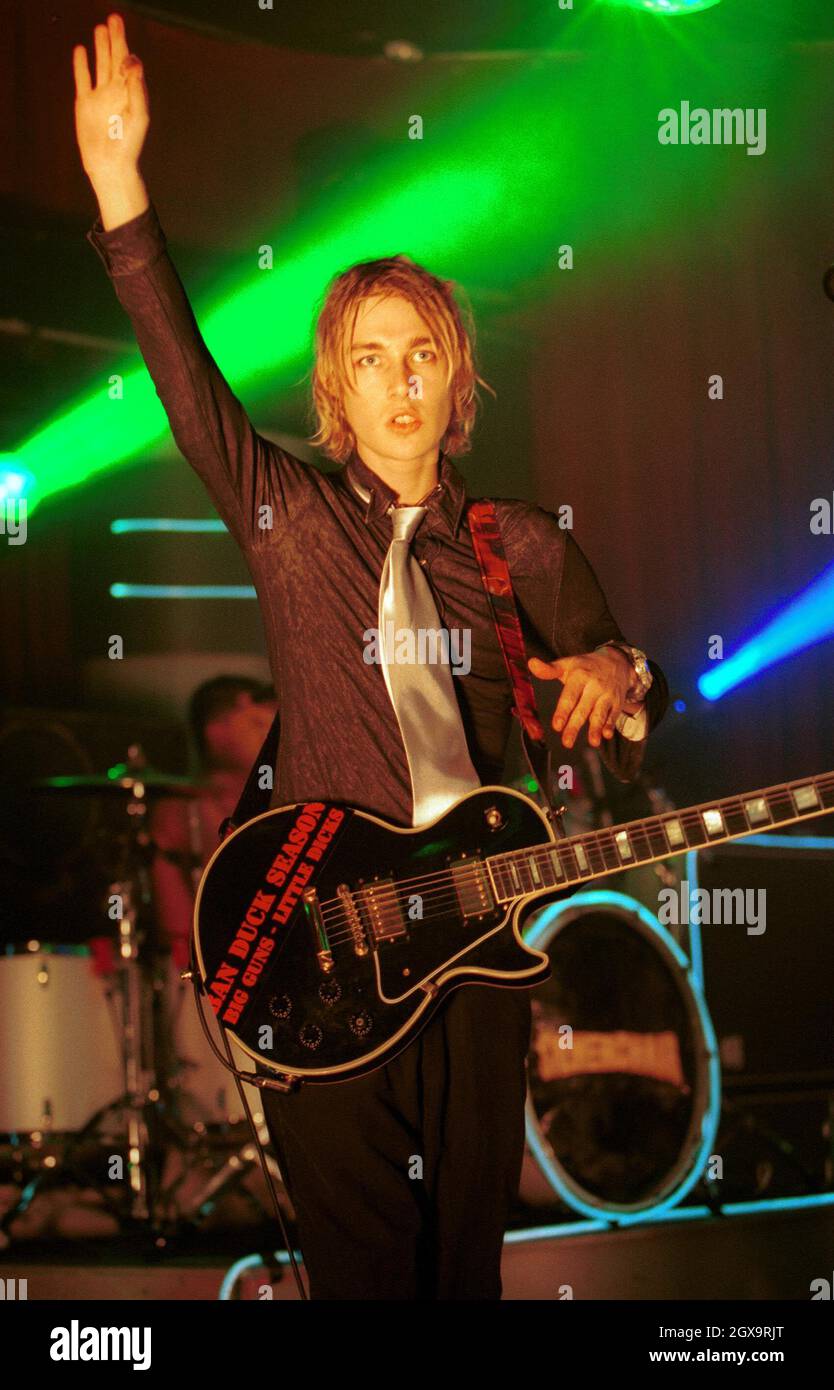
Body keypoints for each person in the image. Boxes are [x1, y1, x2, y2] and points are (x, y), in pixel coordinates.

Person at [73, 12, 669, 1300]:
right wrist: (121, 183)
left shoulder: (522, 544)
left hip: (478, 948)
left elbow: (626, 685)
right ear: (335, 392)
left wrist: (625, 680)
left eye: (424, 356)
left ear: (460, 379)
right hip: (321, 950)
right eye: (369, 360)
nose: (401, 384)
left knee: (460, 1273)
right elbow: (183, 376)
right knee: (362, 1274)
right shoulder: (288, 520)